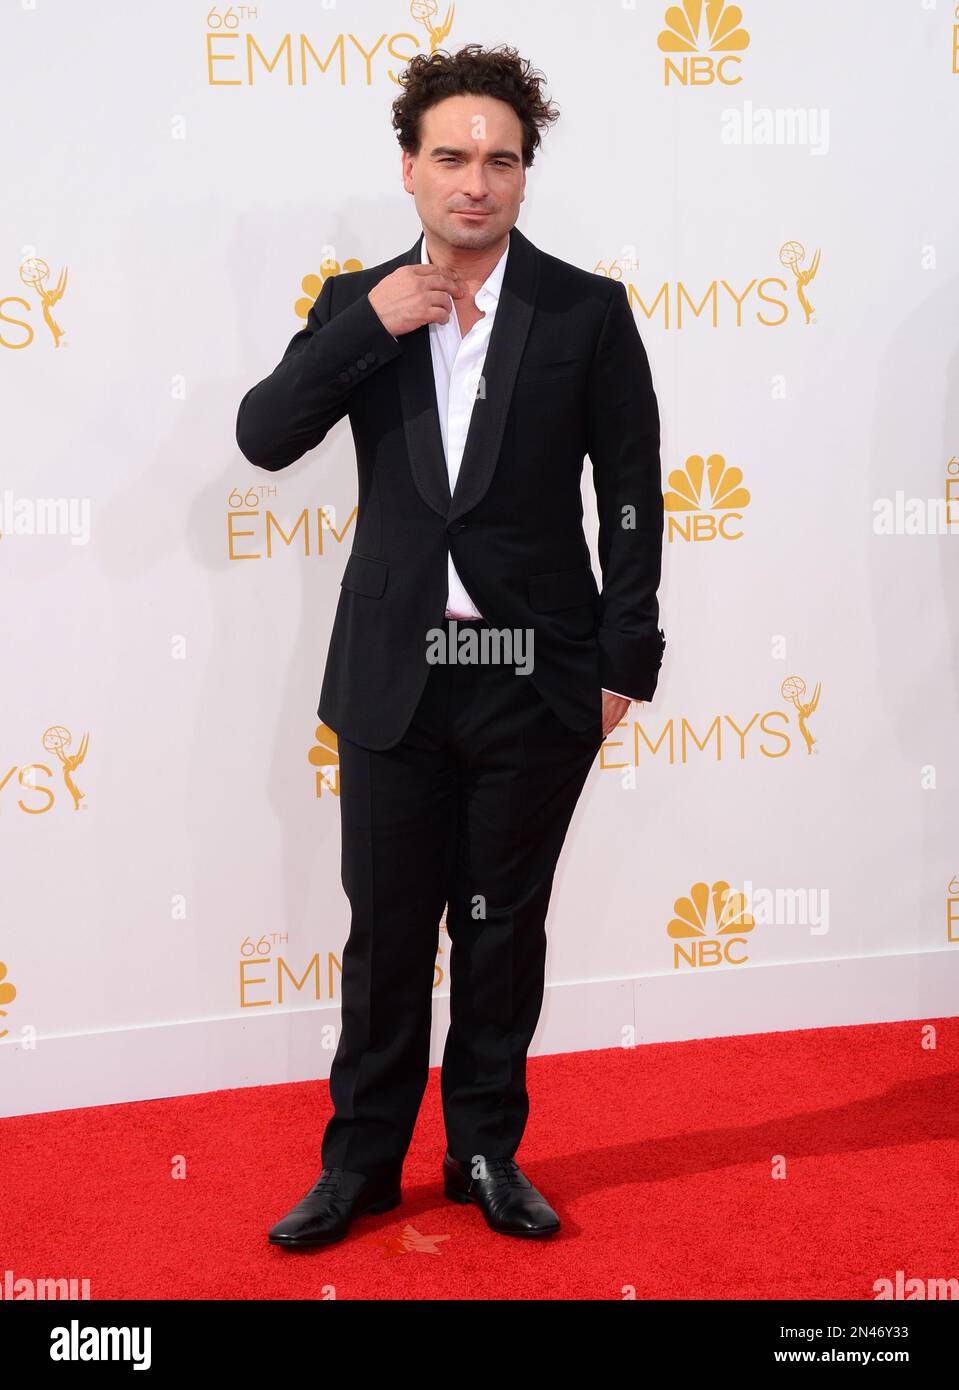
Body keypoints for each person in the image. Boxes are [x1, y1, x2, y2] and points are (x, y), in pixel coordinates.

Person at [235, 42, 666, 1247]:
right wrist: (365, 326)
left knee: (499, 932)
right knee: (384, 936)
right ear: (410, 169)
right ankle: (362, 1166)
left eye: (499, 159)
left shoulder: (584, 311)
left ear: (525, 174)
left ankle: (483, 1151)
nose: (474, 181)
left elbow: (629, 495)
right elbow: (266, 436)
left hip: (532, 681)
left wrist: (623, 660)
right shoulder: (350, 305)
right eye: (450, 157)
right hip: (394, 678)